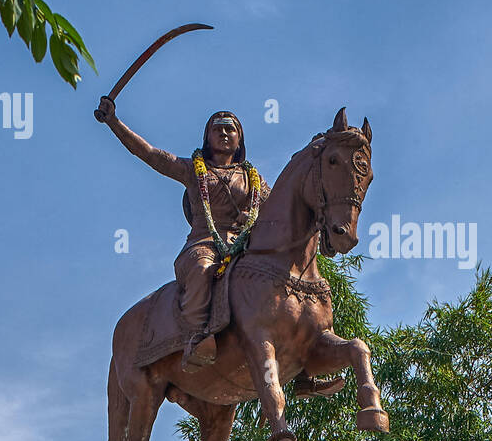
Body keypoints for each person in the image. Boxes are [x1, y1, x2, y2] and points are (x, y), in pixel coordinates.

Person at [95, 97, 343, 397]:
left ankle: (303, 368)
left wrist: (314, 156)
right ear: (207, 137)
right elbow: (150, 154)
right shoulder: (193, 170)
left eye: (231, 129)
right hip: (203, 245)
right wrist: (114, 123)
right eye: (218, 129)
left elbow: (281, 207)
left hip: (246, 249)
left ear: (239, 139)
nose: (224, 133)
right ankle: (199, 338)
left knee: (285, 288)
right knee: (202, 270)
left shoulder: (253, 180)